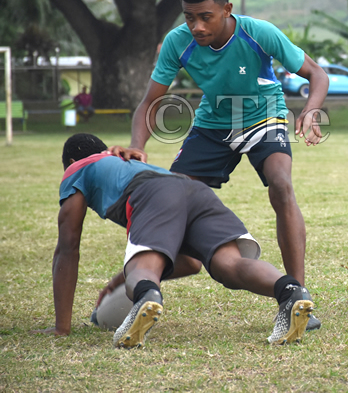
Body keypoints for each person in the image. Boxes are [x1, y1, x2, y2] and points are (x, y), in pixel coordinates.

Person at [126, 0, 328, 330]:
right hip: (212, 124)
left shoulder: (257, 32)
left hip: (264, 116)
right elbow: (148, 104)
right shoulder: (177, 42)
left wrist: (311, 109)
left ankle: (298, 297)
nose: (197, 27)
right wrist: (138, 147)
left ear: (226, 9)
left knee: (281, 185)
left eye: (206, 17)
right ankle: (143, 284)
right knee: (170, 198)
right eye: (190, 17)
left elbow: (316, 73)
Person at [35, 133, 315, 348]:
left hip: (152, 193)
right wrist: (118, 281)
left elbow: (68, 247)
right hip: (192, 189)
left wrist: (62, 326)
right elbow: (191, 263)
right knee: (230, 265)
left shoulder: (78, 168)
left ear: (70, 163)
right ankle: (290, 291)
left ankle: (146, 296)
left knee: (143, 269)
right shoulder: (123, 163)